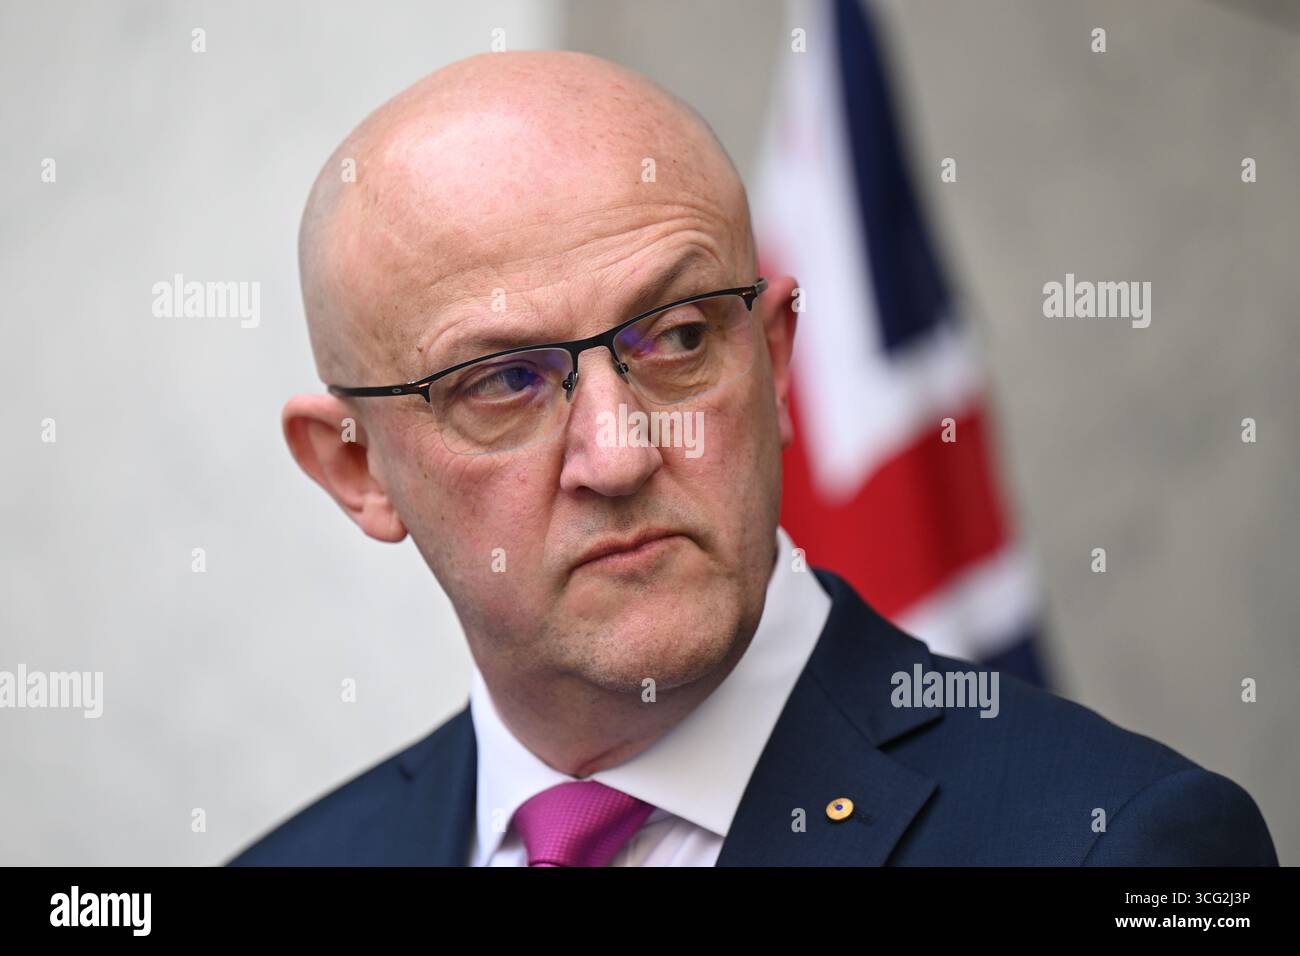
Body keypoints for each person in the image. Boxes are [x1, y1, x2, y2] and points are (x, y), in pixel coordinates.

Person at [227, 50, 1277, 866]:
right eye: (504, 380)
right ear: (354, 468)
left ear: (774, 364)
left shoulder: (1118, 844)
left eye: (679, 337)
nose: (623, 450)